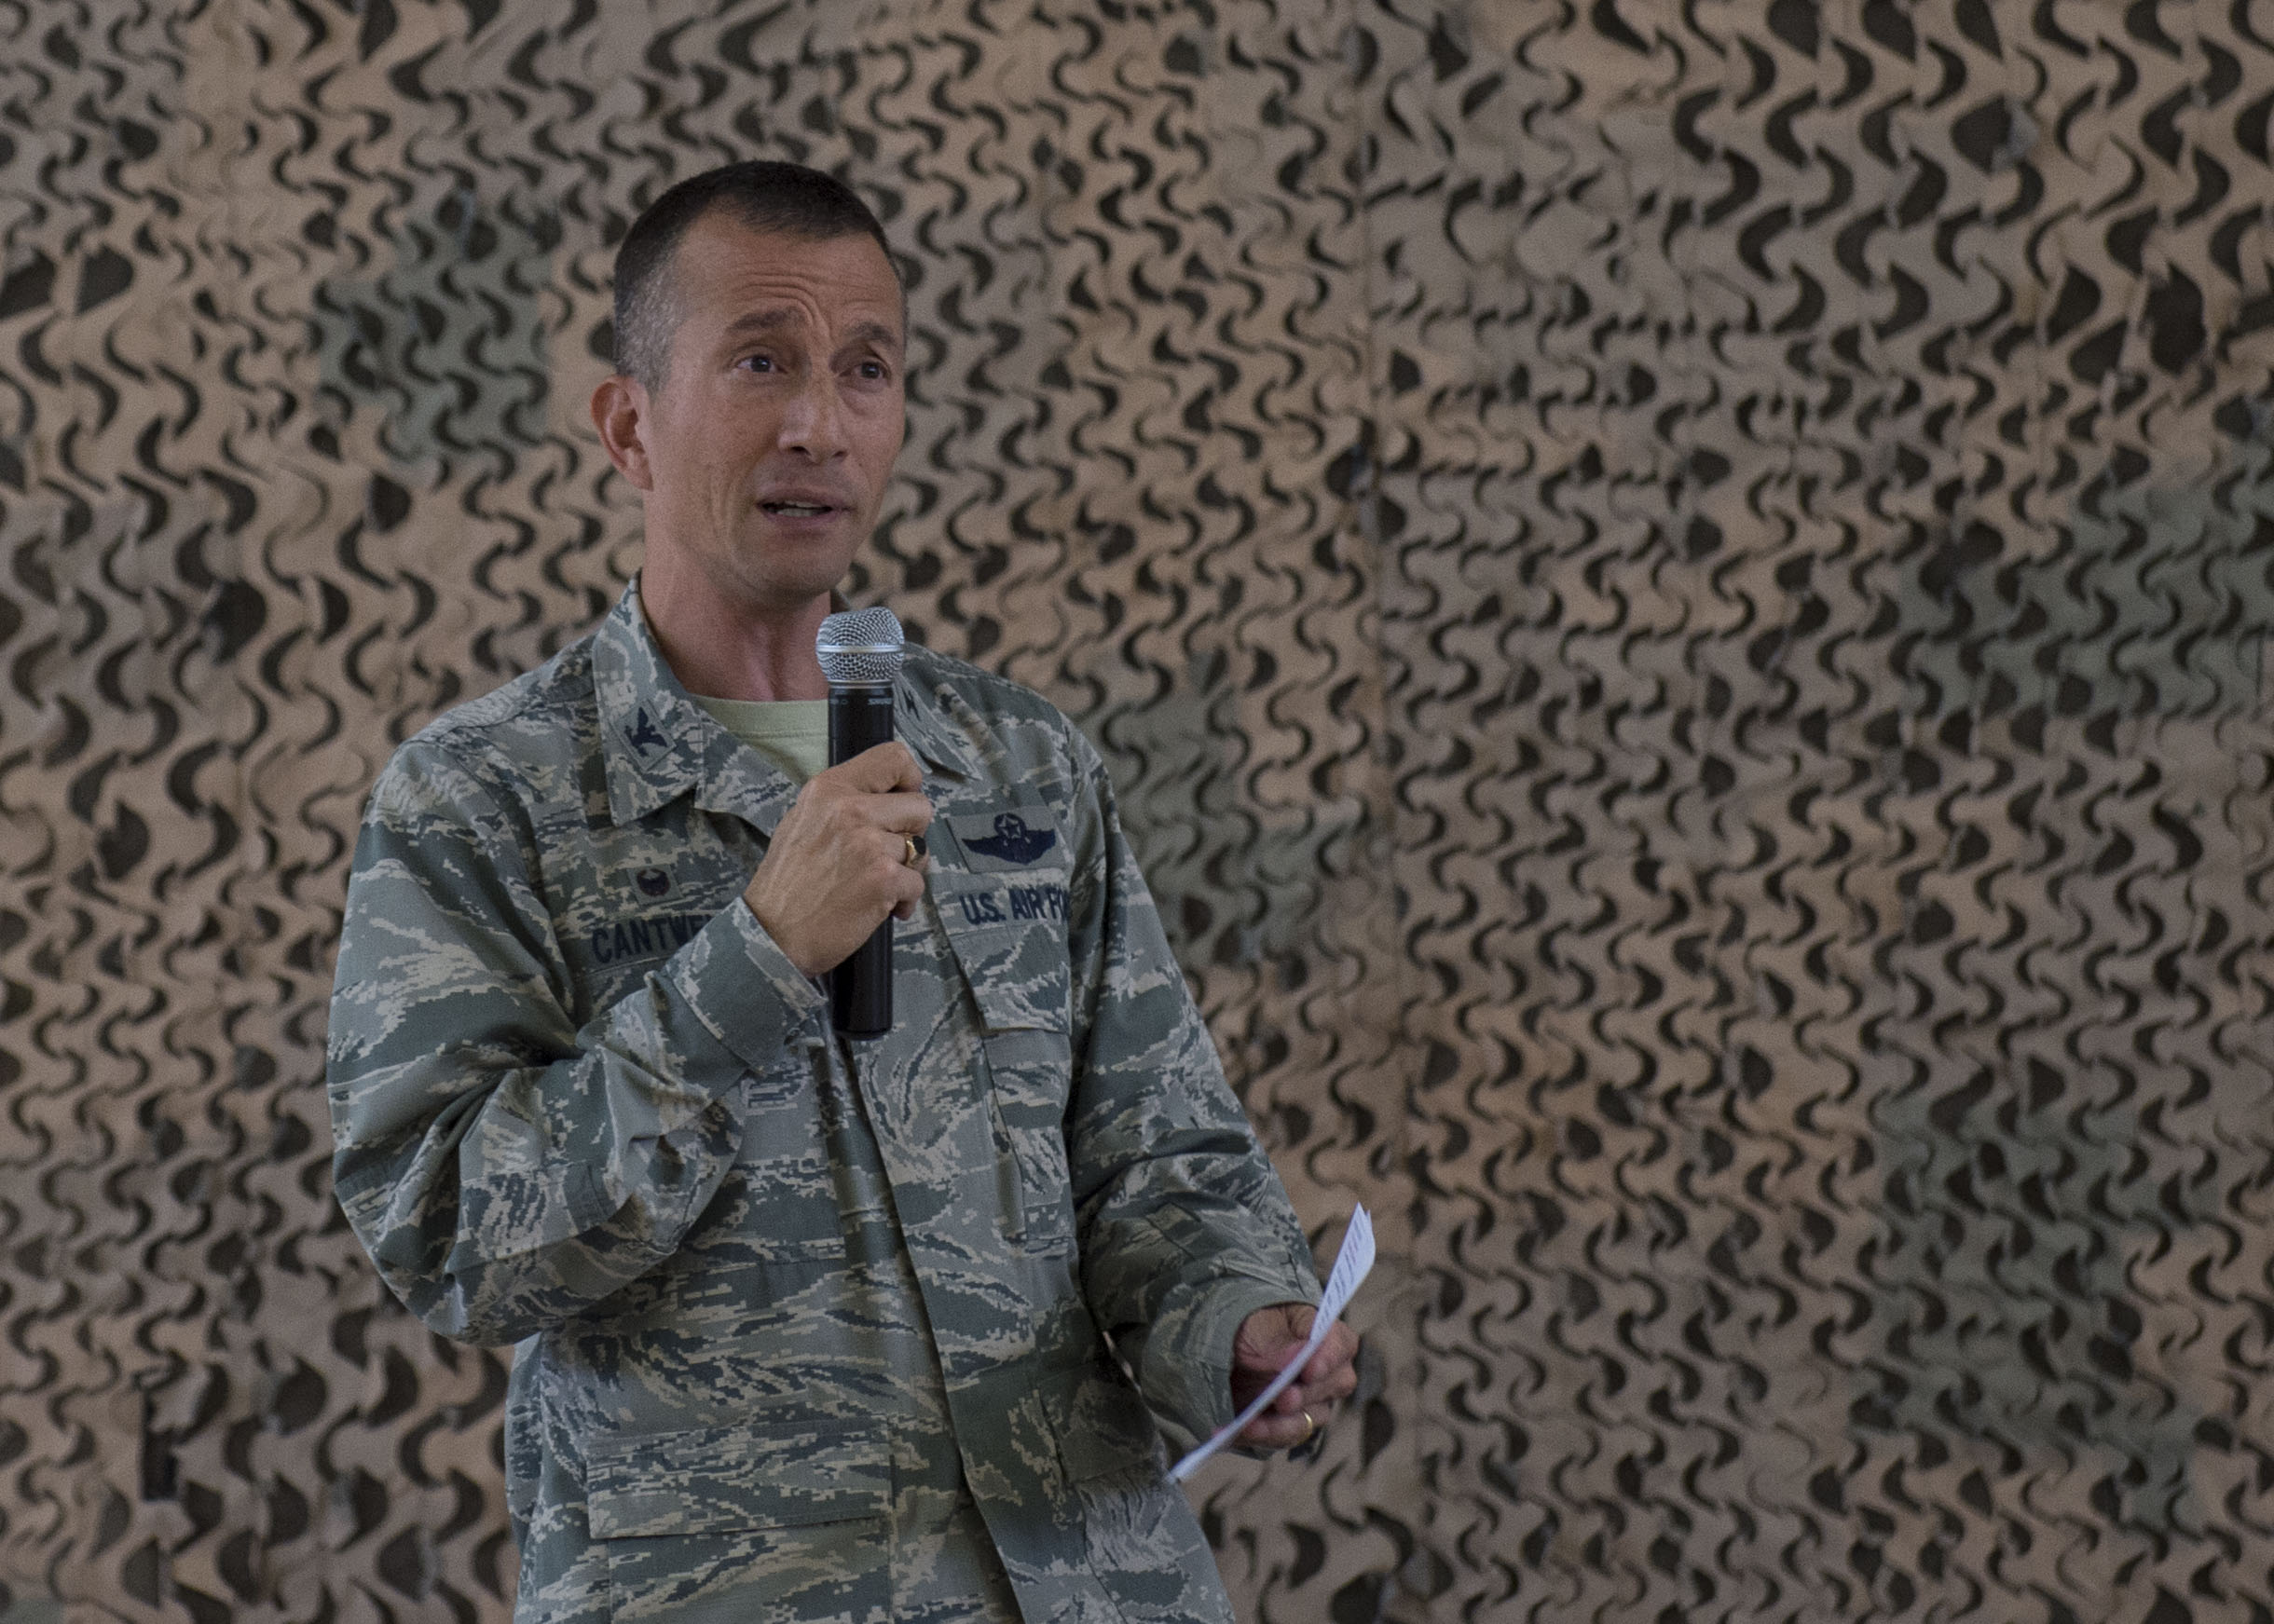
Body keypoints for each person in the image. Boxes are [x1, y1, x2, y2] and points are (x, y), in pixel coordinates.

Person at [326, 159, 1358, 1623]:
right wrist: (751, 962)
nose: (821, 422)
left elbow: (1162, 1157)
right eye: (762, 362)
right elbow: (453, 1241)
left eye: (866, 369)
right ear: (628, 426)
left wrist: (1237, 1321)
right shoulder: (482, 798)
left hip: (1088, 1586)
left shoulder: (1017, 766)